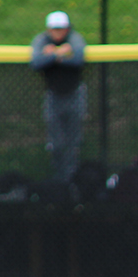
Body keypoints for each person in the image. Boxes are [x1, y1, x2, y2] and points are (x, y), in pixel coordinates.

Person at [30, 10, 87, 185]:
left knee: (73, 141)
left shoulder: (75, 38)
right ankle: (60, 179)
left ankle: (72, 180)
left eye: (61, 29)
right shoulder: (42, 40)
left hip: (74, 94)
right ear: (48, 30)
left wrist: (52, 55)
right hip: (53, 96)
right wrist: (59, 53)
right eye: (54, 29)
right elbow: (35, 62)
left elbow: (78, 59)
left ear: (67, 29)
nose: (58, 33)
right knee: (56, 143)